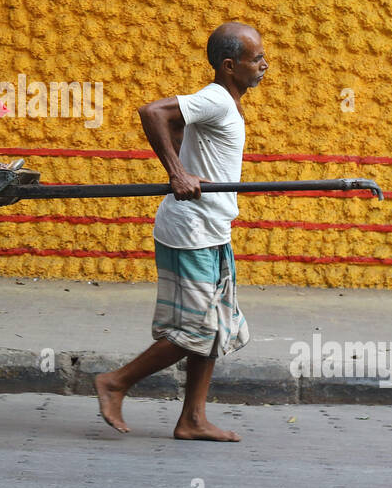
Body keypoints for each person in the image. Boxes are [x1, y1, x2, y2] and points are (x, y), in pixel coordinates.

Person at [94, 22, 268, 442]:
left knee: (215, 326)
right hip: (189, 229)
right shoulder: (216, 100)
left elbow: (173, 127)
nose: (265, 65)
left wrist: (184, 162)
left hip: (213, 227)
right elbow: (152, 113)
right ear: (230, 66)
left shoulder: (223, 102)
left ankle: (192, 419)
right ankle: (115, 382)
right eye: (256, 59)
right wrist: (177, 172)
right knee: (197, 330)